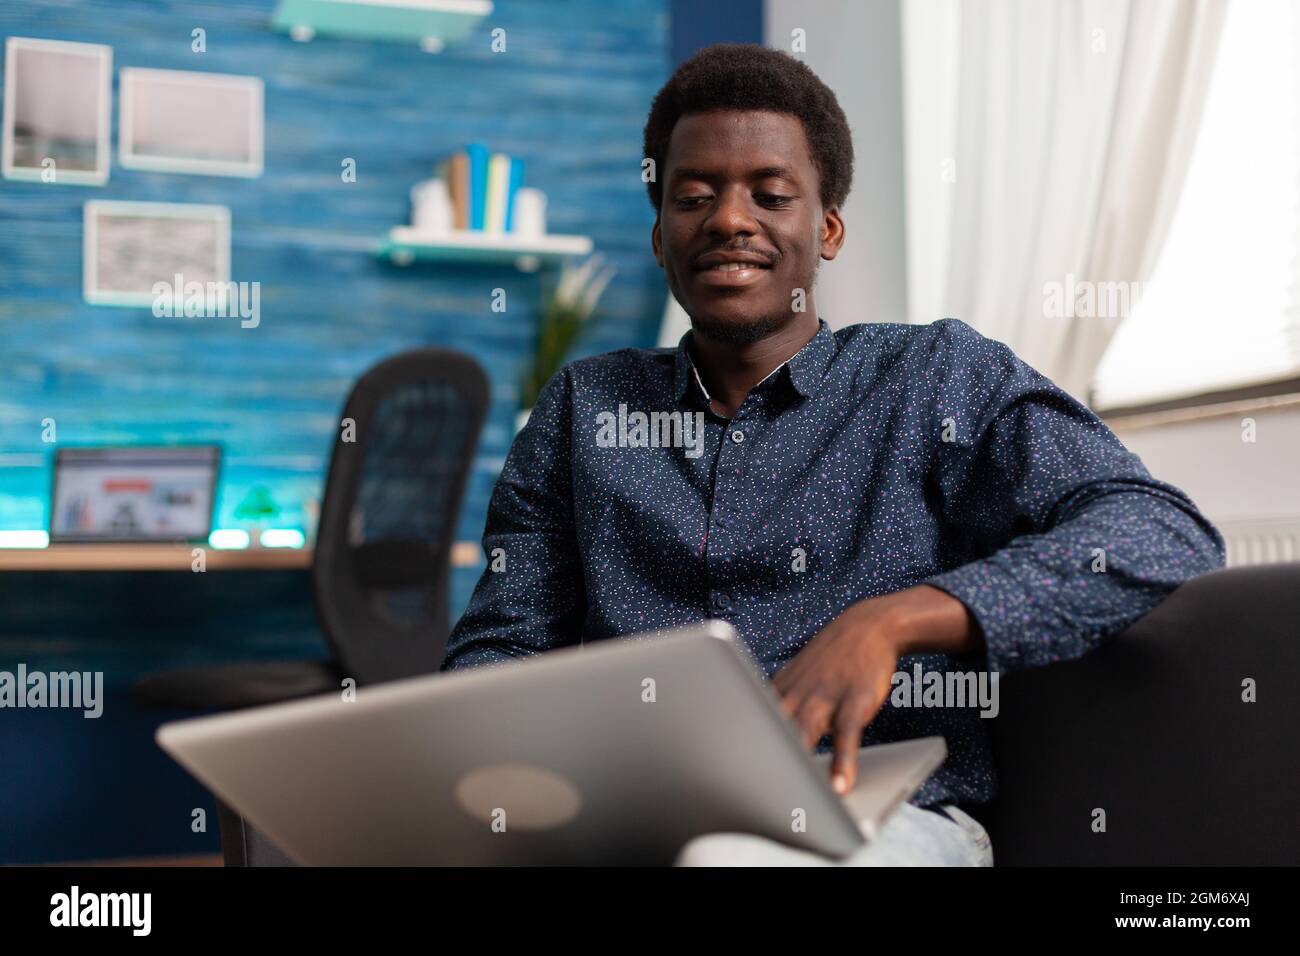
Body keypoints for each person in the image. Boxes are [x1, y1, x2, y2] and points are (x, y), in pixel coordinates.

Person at [440, 43, 1224, 866]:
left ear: (828, 229)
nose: (729, 220)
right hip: (631, 813)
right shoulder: (582, 408)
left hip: (874, 813)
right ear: (660, 238)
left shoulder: (934, 378)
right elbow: (503, 646)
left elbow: (1159, 530)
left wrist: (894, 620)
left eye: (771, 195)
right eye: (693, 198)